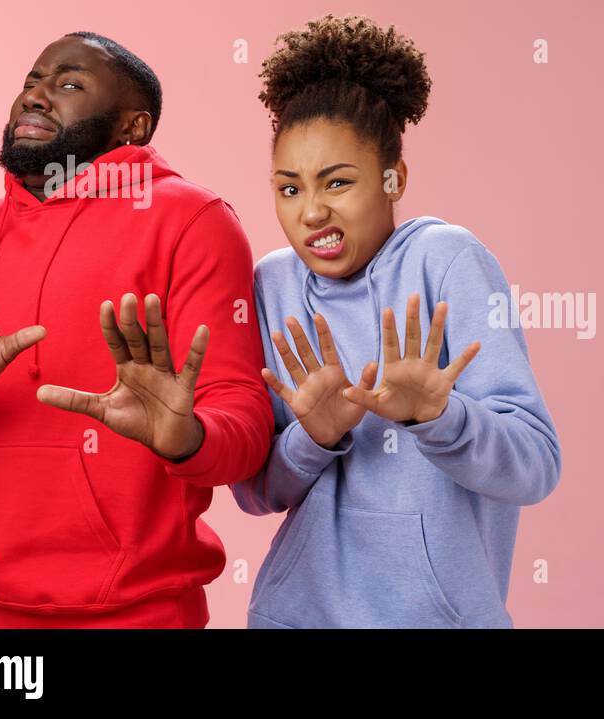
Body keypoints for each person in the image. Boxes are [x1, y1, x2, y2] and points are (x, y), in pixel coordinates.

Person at [0, 32, 272, 628]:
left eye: (69, 85)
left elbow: (245, 429)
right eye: (30, 83)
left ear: (133, 127)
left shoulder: (193, 221)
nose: (36, 97)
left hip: (139, 617)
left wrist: (187, 436)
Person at [232, 15, 561, 628]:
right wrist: (315, 437)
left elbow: (536, 466)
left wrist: (439, 417)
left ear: (394, 180)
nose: (312, 211)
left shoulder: (447, 260)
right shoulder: (272, 283)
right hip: (294, 616)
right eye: (289, 188)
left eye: (337, 182)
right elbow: (256, 494)